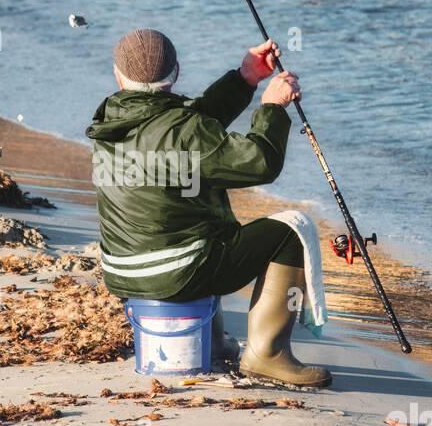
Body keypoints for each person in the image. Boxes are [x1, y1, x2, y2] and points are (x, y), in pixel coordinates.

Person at [87, 28, 330, 388]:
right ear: (177, 71)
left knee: (195, 221)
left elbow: (190, 126)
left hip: (123, 272)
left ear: (118, 75)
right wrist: (272, 108)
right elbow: (259, 163)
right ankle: (267, 355)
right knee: (293, 228)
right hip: (178, 273)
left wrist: (245, 77)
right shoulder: (180, 132)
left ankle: (213, 342)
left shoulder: (111, 122)